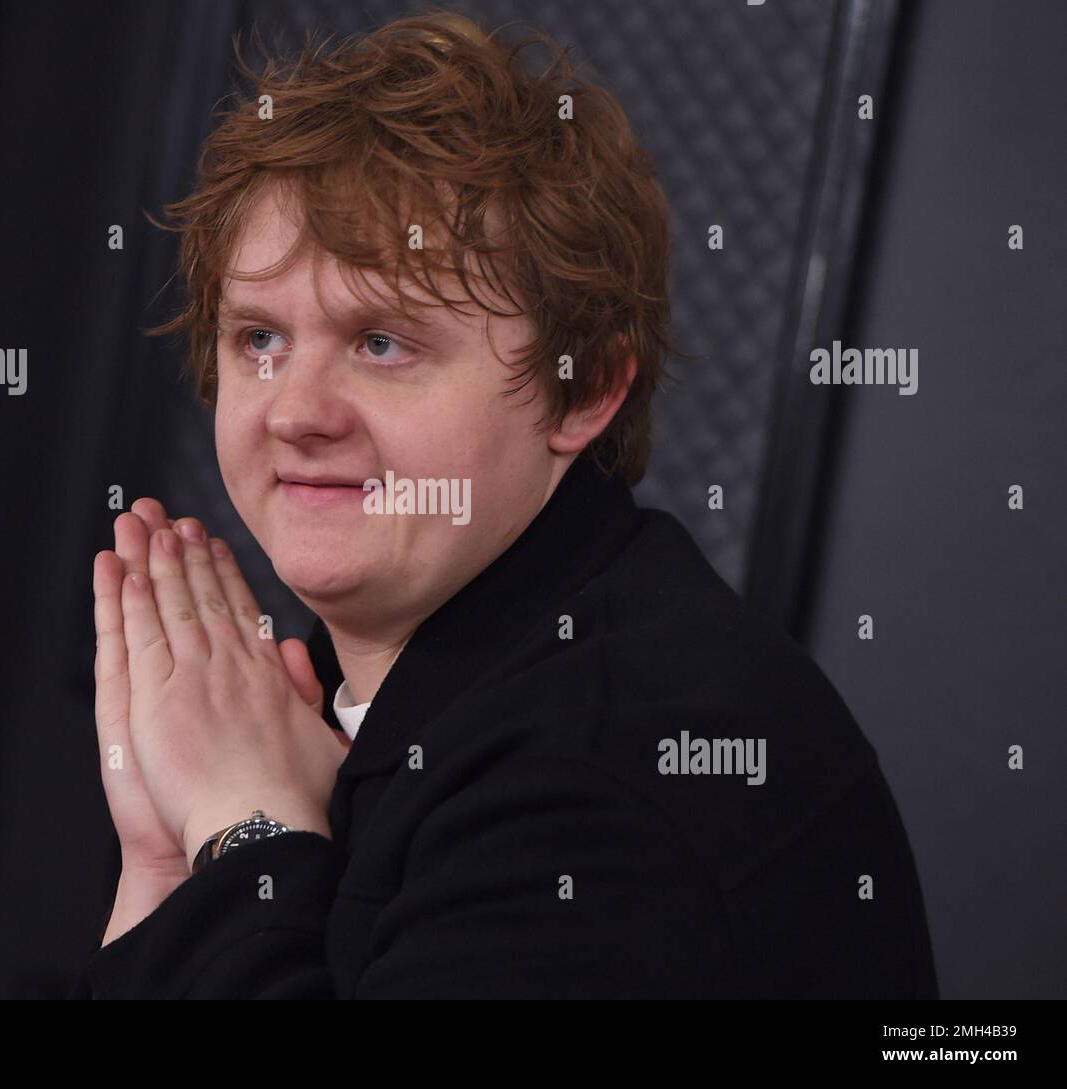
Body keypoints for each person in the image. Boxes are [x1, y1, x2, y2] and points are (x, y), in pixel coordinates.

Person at [69, 11, 937, 999]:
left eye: (383, 343)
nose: (295, 414)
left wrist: (245, 835)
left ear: (580, 392)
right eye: (259, 339)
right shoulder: (354, 693)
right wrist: (170, 868)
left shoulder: (608, 777)